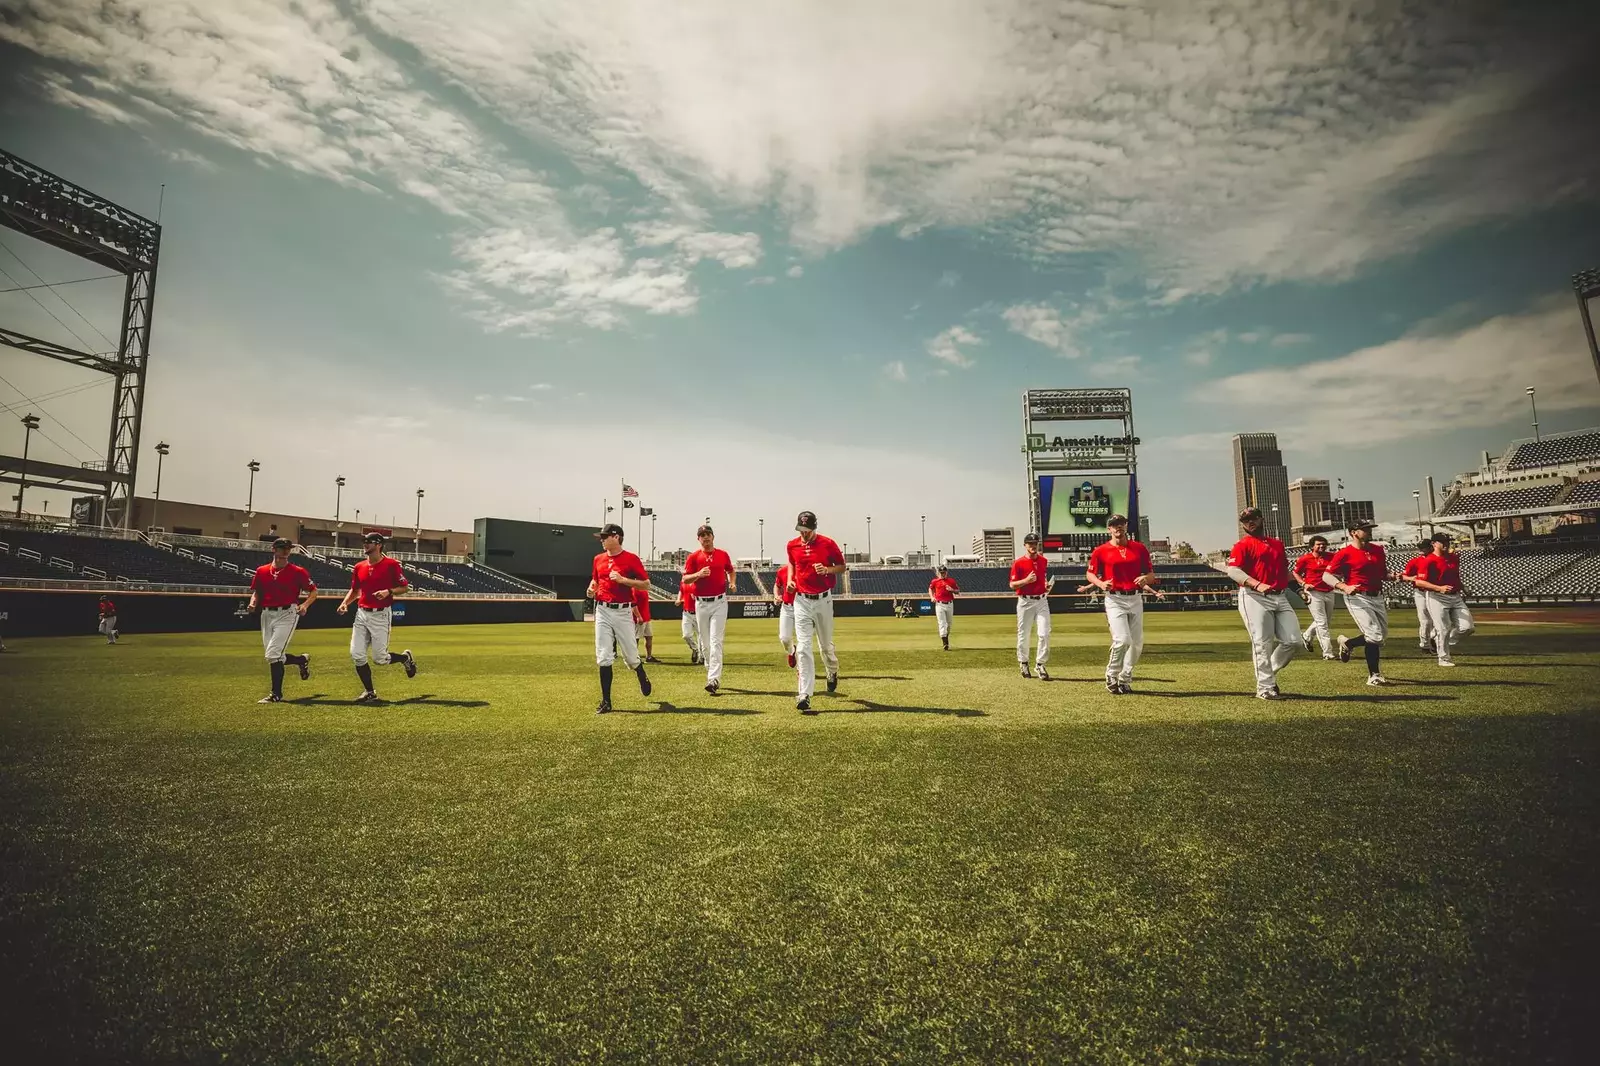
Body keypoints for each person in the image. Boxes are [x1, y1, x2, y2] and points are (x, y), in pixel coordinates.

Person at [1080, 514, 1162, 694]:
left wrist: (1145, 578)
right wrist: (1100, 584)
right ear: (1109, 529)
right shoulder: (1101, 551)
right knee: (1122, 639)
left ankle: (1125, 678)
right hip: (1114, 598)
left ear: (1126, 526)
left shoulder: (1139, 548)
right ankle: (1112, 674)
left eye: (1121, 524)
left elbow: (1151, 574)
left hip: (1135, 597)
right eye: (1114, 525)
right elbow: (1090, 574)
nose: (1118, 528)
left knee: (1137, 643)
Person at [1225, 507, 1300, 699]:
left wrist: (1299, 590)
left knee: (1293, 641)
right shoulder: (1242, 545)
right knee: (1262, 643)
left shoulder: (1276, 544)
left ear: (1261, 519)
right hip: (1254, 596)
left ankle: (1267, 676)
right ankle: (1265, 688)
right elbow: (1233, 571)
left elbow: (1284, 571)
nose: (1249, 522)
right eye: (1245, 520)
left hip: (1279, 595)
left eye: (1252, 518)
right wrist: (1257, 584)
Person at [335, 532, 417, 703]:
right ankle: (370, 692)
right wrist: (345, 603)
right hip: (362, 613)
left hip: (381, 614)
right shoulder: (359, 567)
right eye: (364, 541)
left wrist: (389, 591)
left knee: (380, 659)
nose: (365, 544)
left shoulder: (391, 564)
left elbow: (405, 587)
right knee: (357, 654)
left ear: (379, 545)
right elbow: (355, 590)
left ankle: (404, 658)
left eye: (369, 542)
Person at [587, 523, 652, 714]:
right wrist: (591, 590)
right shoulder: (598, 559)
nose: (602, 540)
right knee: (604, 655)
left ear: (616, 537)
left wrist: (624, 580)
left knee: (631, 657)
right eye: (601, 537)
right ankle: (606, 701)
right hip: (603, 610)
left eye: (605, 537)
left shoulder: (630, 559)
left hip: (623, 611)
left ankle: (640, 673)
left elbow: (646, 585)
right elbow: (595, 581)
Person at [786, 510, 846, 714]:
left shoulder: (828, 543)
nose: (803, 534)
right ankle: (805, 694)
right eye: (801, 530)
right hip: (801, 600)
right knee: (802, 648)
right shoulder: (792, 545)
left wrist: (828, 570)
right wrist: (790, 581)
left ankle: (832, 671)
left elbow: (842, 566)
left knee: (825, 647)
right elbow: (792, 564)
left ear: (814, 528)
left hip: (823, 600)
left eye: (807, 530)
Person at [248, 537, 318, 703]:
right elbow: (257, 591)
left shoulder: (298, 571)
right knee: (275, 656)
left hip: (287, 613)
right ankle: (301, 660)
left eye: (288, 547)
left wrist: (305, 605)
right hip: (266, 614)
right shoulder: (262, 571)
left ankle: (276, 694)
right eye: (281, 547)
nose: (285, 550)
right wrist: (253, 602)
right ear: (274, 549)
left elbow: (313, 592)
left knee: (273, 654)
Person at [1324, 518, 1392, 686]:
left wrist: (1398, 577)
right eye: (1365, 529)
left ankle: (1348, 643)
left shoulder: (1377, 550)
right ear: (1354, 532)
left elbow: (1383, 573)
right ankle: (1374, 675)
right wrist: (1343, 586)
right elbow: (1326, 576)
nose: (1369, 531)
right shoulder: (1344, 553)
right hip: (1357, 596)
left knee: (1380, 638)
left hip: (1377, 595)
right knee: (1374, 636)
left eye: (1370, 528)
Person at [683, 523, 735, 695]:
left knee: (715, 641)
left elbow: (731, 570)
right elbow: (686, 580)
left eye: (708, 534)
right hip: (701, 603)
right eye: (702, 535)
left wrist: (732, 582)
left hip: (719, 601)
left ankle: (714, 679)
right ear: (698, 539)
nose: (705, 537)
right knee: (705, 643)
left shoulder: (722, 554)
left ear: (713, 536)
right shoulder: (694, 557)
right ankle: (710, 668)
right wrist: (698, 574)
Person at [1414, 532, 1475, 667]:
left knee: (1468, 627)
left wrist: (1464, 587)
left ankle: (1438, 642)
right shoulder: (1428, 560)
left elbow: (1455, 576)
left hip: (1455, 596)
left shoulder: (1453, 558)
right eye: (1443, 542)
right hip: (1437, 597)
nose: (1447, 544)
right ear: (1434, 544)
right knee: (1443, 628)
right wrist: (1438, 588)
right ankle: (1443, 658)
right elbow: (1419, 582)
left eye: (1448, 541)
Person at [1010, 532, 1053, 679]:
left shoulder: (1043, 561)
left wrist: (1045, 584)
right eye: (1030, 544)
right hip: (1025, 601)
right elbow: (1012, 584)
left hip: (1041, 600)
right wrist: (1026, 581)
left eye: (1035, 543)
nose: (1033, 546)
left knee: (1044, 633)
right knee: (1024, 634)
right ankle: (1023, 662)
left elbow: (1043, 577)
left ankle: (1040, 665)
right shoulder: (1018, 563)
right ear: (1025, 545)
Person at [1293, 535, 1338, 660]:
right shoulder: (1305, 559)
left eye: (1323, 544)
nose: (1321, 546)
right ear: (1312, 546)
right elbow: (1295, 572)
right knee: (1322, 623)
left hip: (1329, 591)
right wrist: (1303, 583)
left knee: (1325, 622)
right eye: (1318, 544)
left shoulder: (1331, 556)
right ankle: (1328, 653)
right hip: (1313, 592)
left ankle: (1307, 636)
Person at [1400, 551, 1438, 653]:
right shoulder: (1415, 561)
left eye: (1425, 547)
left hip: (1436, 591)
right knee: (1425, 621)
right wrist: (1411, 578)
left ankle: (1433, 638)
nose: (1423, 550)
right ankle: (1425, 645)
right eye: (1421, 548)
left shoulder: (1437, 559)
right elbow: (1403, 576)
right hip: (1421, 592)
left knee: (1439, 619)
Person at [928, 565, 960, 650]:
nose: (943, 574)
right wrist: (932, 597)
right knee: (942, 623)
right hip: (939, 604)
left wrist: (952, 590)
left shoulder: (951, 581)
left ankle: (946, 637)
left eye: (944, 572)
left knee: (949, 624)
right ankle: (945, 643)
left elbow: (958, 591)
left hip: (949, 603)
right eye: (941, 573)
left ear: (947, 573)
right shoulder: (935, 581)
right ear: (939, 573)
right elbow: (930, 589)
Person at [774, 560, 797, 667]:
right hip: (787, 607)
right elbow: (777, 585)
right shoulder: (782, 571)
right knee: (784, 638)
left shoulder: (805, 570)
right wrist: (776, 595)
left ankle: (801, 670)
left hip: (803, 607)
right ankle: (791, 651)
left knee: (804, 640)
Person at [632, 584, 660, 663]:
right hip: (640, 618)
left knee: (649, 637)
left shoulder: (643, 588)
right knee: (636, 639)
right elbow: (633, 605)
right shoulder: (634, 589)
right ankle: (634, 657)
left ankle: (649, 657)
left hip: (646, 617)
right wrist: (638, 616)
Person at [678, 582, 700, 664]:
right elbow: (681, 590)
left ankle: (702, 657)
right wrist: (678, 599)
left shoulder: (699, 580)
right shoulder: (684, 580)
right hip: (686, 613)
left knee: (701, 636)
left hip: (698, 612)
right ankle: (695, 649)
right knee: (686, 635)